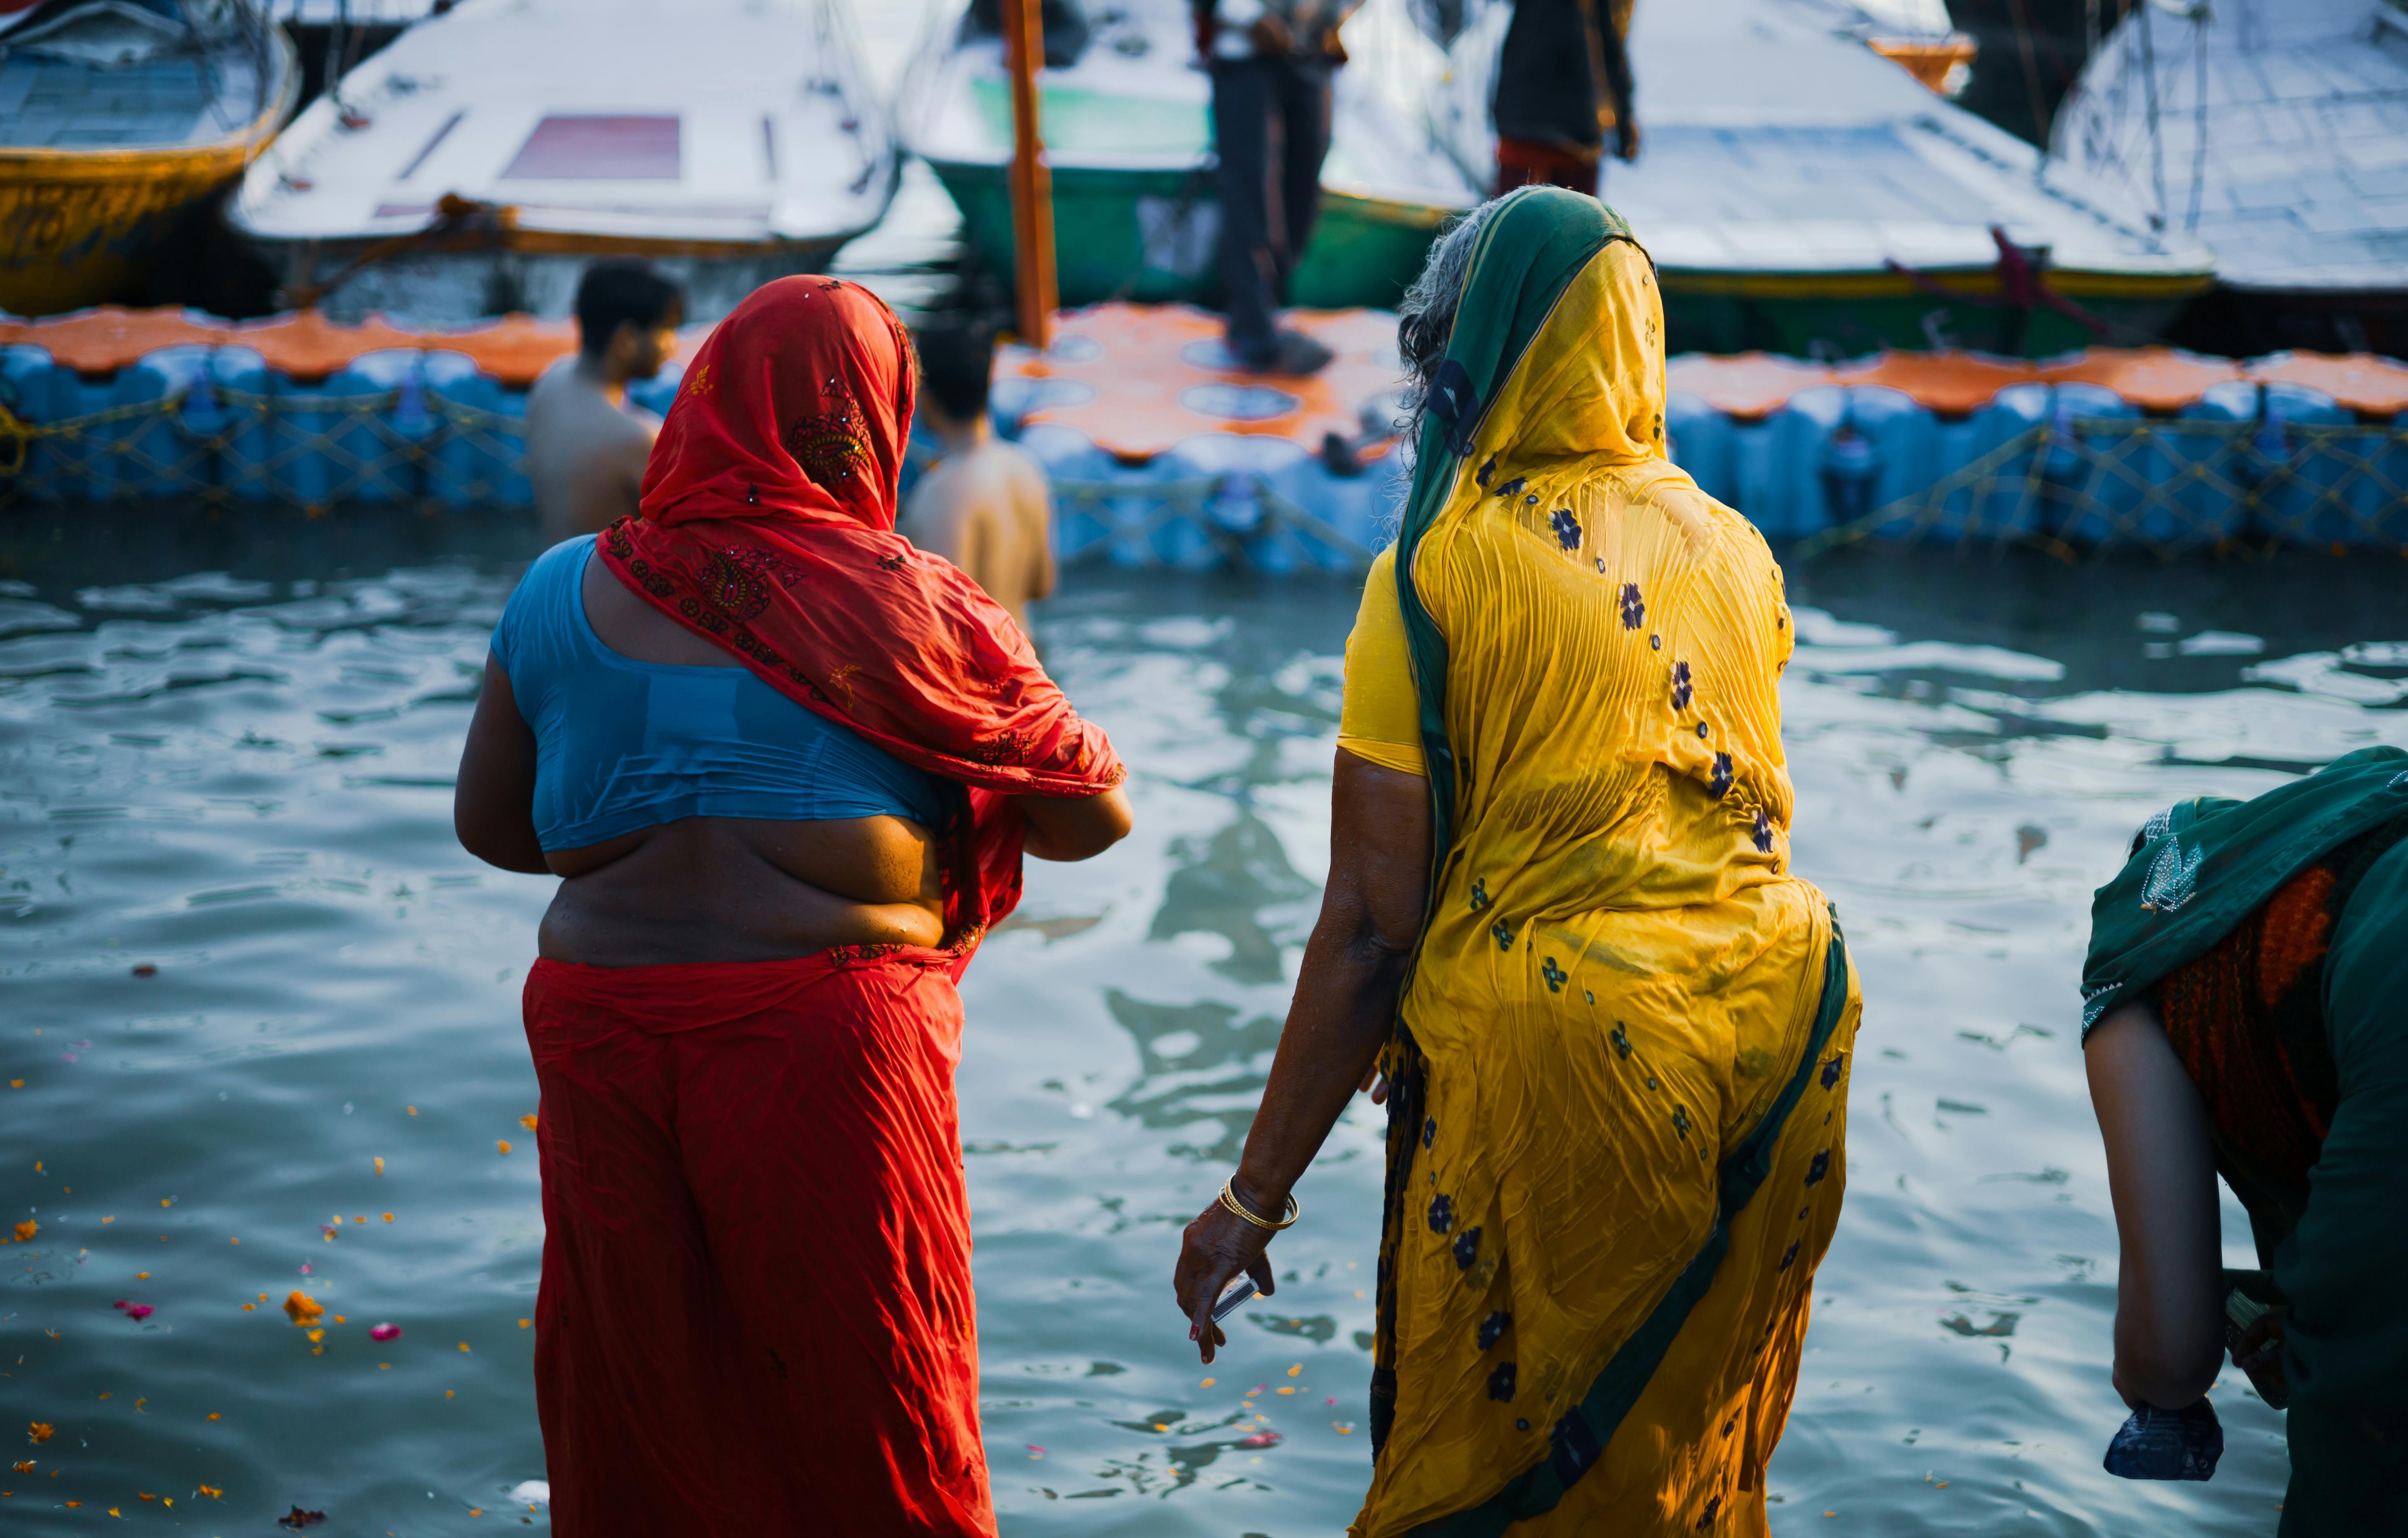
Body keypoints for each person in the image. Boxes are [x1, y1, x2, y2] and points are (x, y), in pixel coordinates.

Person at [1171, 186, 1861, 1536]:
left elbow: (1373, 930)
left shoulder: (1438, 571)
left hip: (1573, 1048)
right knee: (1686, 1463)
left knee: (1493, 1482)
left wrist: (1252, 1196)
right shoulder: (1739, 549)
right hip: (1789, 1015)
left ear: (1466, 358)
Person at [453, 276, 1132, 1537]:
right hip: (829, 1048)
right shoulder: (915, 604)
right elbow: (1094, 816)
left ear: (709, 397)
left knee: (646, 1392)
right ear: (871, 418)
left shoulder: (557, 590)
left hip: (601, 1024)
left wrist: (665, 833)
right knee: (876, 1402)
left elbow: (495, 828)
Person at [2081, 746, 2408, 1533]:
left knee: (2362, 1464)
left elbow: (2171, 1353)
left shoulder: (2131, 963)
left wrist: (2150, 1378)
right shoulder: (2336, 817)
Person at [1193, 0, 1358, 375]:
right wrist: (1247, 16)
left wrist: (1341, 16)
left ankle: (1268, 314)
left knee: (1303, 189)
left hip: (1312, 49)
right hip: (1246, 50)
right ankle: (1256, 331)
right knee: (1251, 190)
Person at [899, 320, 1056, 629]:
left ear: (926, 398)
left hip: (974, 676)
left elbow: (938, 624)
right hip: (1028, 662)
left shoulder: (939, 492)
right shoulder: (1026, 469)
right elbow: (1043, 587)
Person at [524, 259, 683, 542]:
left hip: (556, 574)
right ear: (626, 341)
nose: (673, 345)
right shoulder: (641, 438)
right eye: (666, 329)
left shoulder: (549, 382)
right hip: (605, 585)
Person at [1494, 0, 1639, 194]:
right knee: (1576, 221)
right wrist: (1624, 117)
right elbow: (1612, 40)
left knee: (1514, 219)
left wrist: (1625, 116)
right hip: (1570, 129)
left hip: (1527, 121)